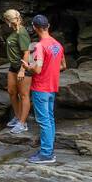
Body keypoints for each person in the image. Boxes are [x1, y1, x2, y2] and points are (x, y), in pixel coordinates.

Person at [23, 14, 66, 165]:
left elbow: (38, 69)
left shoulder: (39, 46)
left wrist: (28, 67)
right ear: (48, 26)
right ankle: (48, 150)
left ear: (35, 27)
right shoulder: (57, 45)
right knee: (50, 120)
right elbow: (63, 66)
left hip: (41, 88)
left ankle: (46, 154)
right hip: (52, 88)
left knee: (44, 122)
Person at [2, 9, 31, 133]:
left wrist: (22, 70)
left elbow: (27, 52)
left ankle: (23, 123)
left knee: (24, 95)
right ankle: (17, 117)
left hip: (23, 67)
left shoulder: (22, 33)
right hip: (13, 66)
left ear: (8, 20)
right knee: (12, 91)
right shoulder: (15, 31)